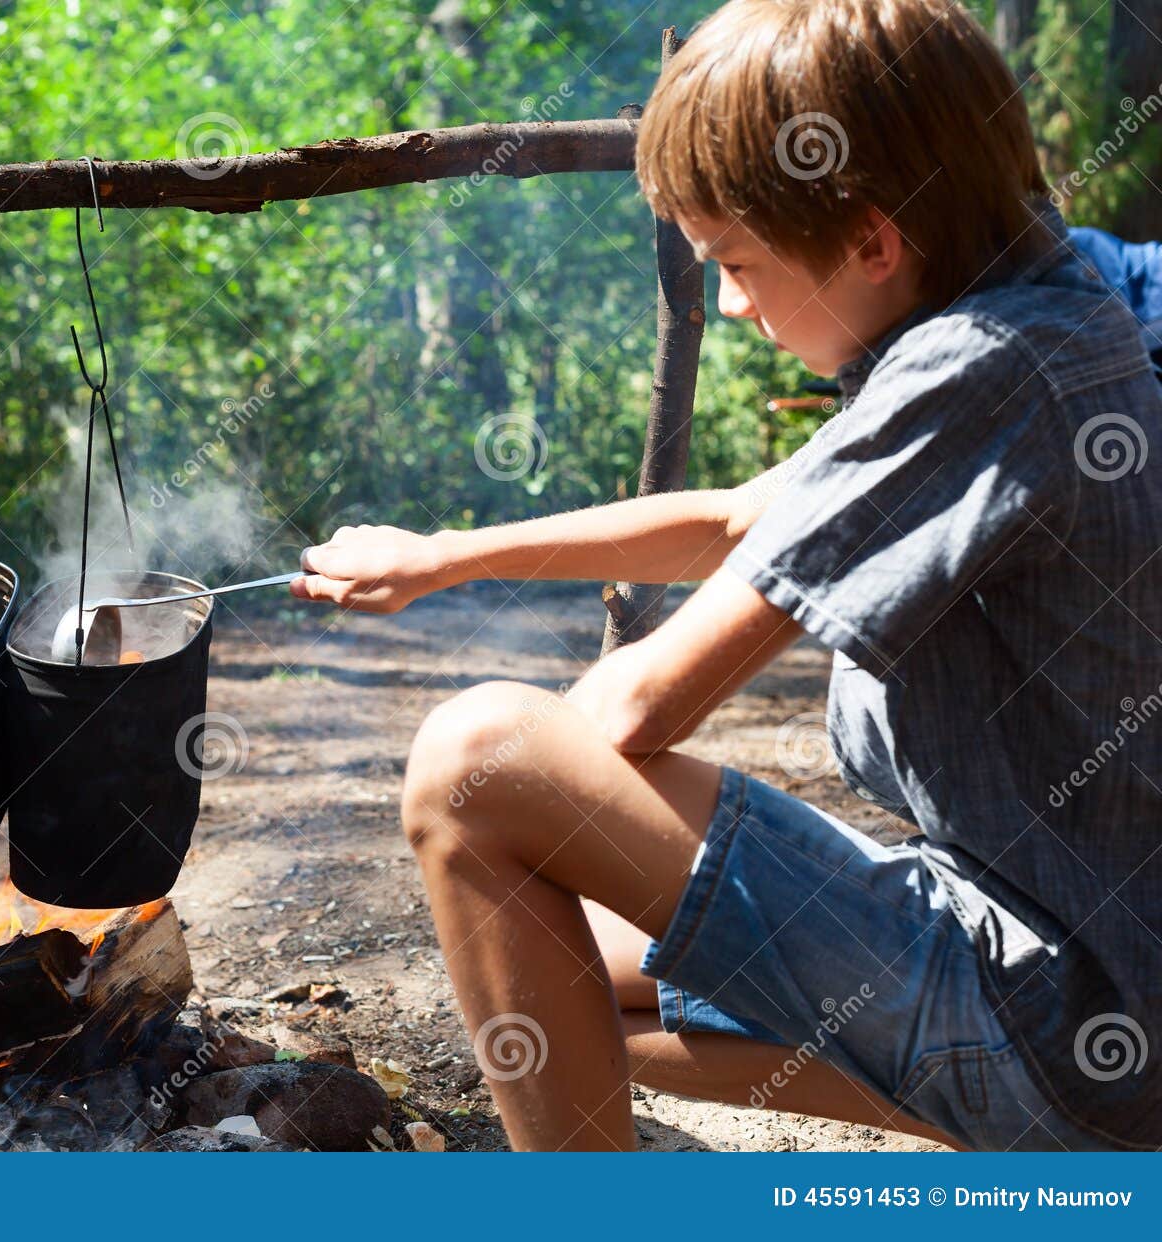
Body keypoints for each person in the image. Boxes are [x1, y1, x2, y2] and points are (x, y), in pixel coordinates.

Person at [290, 0, 1162, 1151]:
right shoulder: (1029, 307)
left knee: (473, 764)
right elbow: (739, 519)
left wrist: (562, 779)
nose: (737, 307)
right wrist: (442, 559)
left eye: (736, 265)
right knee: (544, 963)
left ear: (867, 239)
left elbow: (643, 707)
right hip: (1091, 994)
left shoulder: (983, 369)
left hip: (1069, 1014)